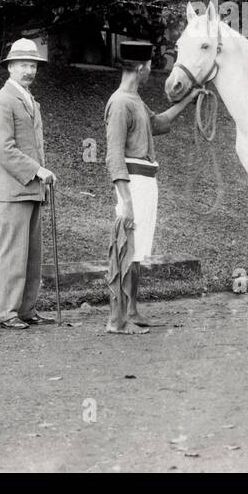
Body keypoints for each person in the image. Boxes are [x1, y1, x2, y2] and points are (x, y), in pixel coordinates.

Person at [103, 40, 196, 334]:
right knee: (125, 249)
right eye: (148, 68)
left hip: (145, 181)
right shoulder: (120, 103)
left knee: (138, 250)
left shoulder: (135, 100)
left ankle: (131, 311)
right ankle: (116, 321)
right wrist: (126, 199)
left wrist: (189, 98)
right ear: (142, 68)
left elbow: (158, 123)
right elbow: (113, 156)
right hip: (133, 183)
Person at [0, 37, 56, 331]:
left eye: (33, 65)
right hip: (12, 190)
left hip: (31, 189)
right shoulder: (2, 101)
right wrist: (37, 170)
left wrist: (39, 176)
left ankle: (26, 309)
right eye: (23, 64)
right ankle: (6, 312)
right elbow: (3, 148)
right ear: (10, 67)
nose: (29, 70)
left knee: (32, 255)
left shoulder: (30, 101)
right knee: (13, 253)